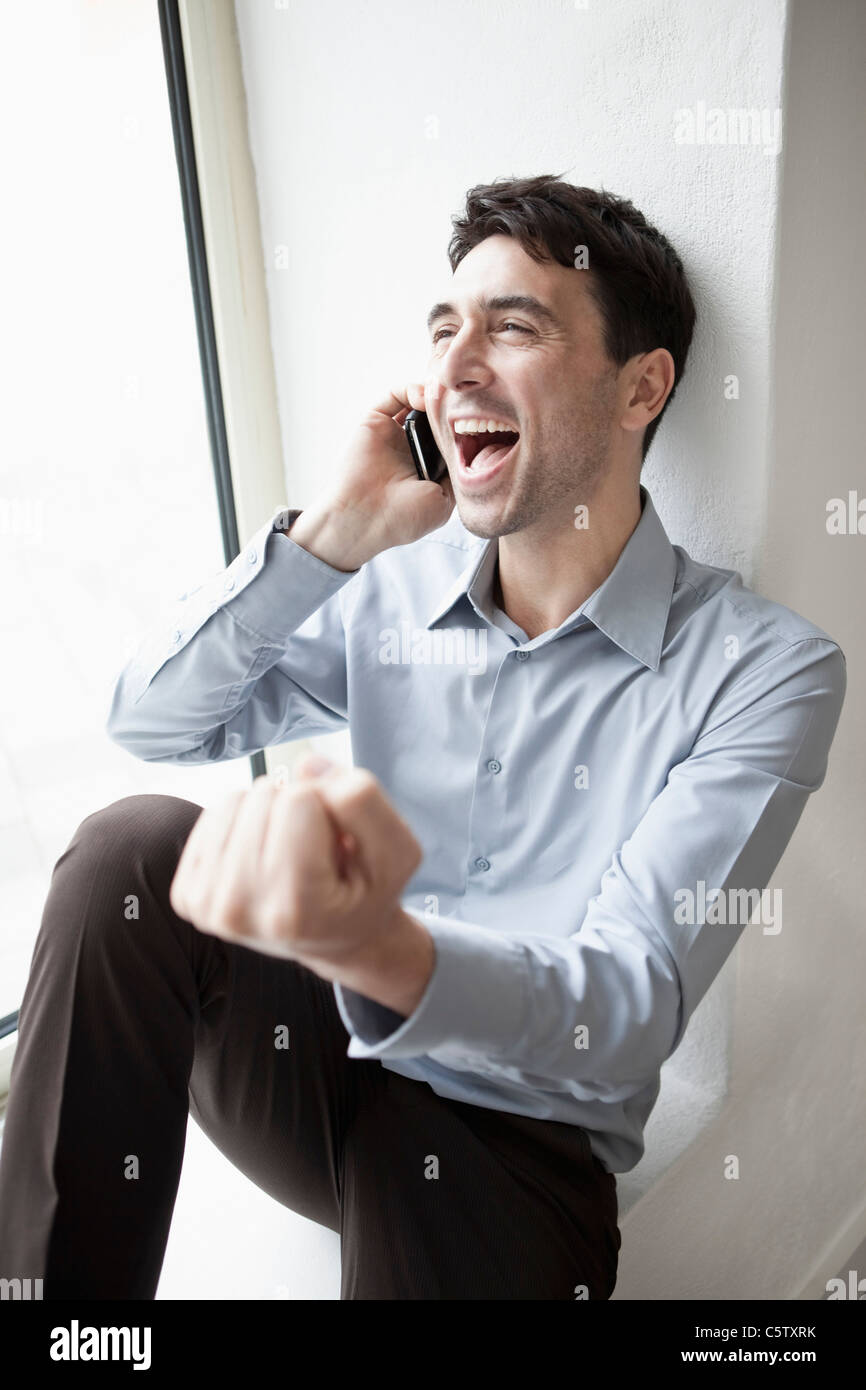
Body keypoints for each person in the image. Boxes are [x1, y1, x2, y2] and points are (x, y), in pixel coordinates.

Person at [0, 175, 846, 1301]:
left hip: (518, 1140)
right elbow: (153, 720)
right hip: (324, 1062)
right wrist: (332, 535)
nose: (451, 369)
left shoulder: (762, 668)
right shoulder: (387, 591)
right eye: (443, 329)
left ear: (641, 388)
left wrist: (376, 945)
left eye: (512, 326)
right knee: (129, 852)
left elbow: (627, 1000)